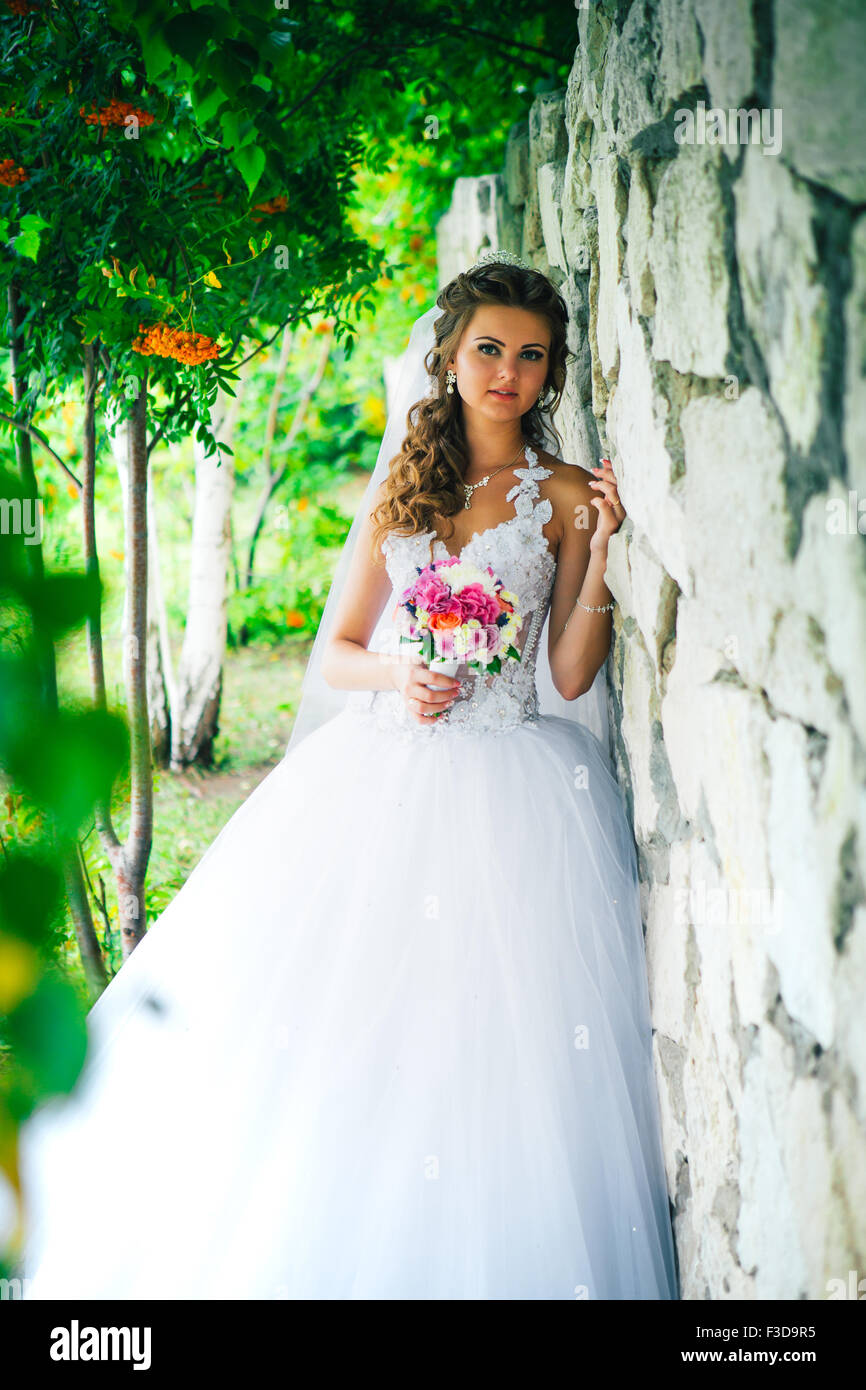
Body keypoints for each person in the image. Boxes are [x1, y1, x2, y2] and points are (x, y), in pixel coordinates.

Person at [17, 251, 679, 1300]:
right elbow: (335, 652)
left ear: (550, 376)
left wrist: (596, 554)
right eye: (488, 349)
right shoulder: (405, 482)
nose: (506, 372)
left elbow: (564, 669)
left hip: (514, 776)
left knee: (496, 1034)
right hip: (385, 767)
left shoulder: (557, 495)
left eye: (530, 356)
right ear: (451, 356)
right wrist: (400, 674)